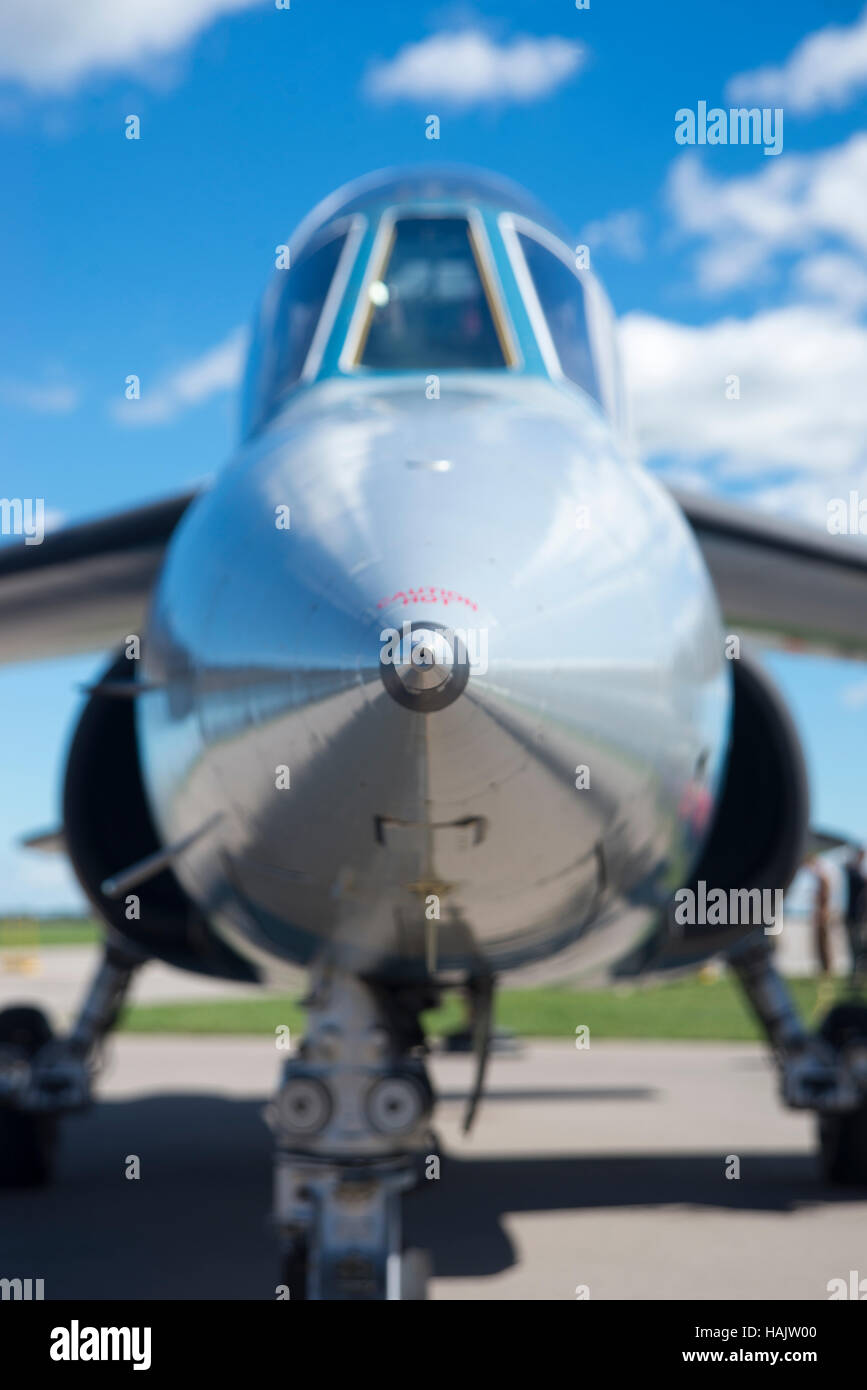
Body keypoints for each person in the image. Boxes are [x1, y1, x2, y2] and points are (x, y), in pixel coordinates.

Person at [843, 847, 867, 980]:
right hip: (854, 917)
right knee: (855, 948)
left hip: (858, 918)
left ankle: (858, 975)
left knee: (859, 948)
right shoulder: (853, 873)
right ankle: (856, 976)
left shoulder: (855, 873)